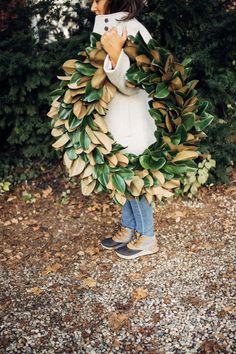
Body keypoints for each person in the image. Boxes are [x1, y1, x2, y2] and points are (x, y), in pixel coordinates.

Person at [90, 0, 159, 260]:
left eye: (96, 0)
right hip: (117, 117)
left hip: (133, 118)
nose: (93, 7)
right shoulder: (111, 27)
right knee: (122, 176)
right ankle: (130, 228)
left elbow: (136, 83)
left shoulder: (133, 29)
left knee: (135, 178)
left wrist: (117, 56)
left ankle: (148, 236)